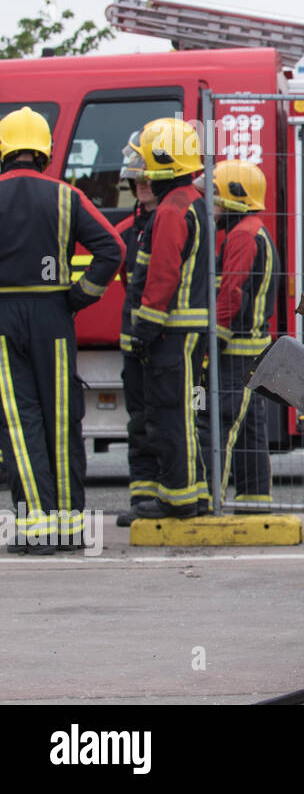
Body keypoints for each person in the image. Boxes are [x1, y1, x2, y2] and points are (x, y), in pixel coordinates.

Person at [0, 106, 124, 553]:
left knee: (20, 423)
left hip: (2, 320)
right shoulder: (66, 195)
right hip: (53, 316)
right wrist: (77, 295)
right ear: (44, 151)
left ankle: (34, 529)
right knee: (61, 421)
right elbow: (112, 249)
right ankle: (72, 528)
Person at [123, 117, 210, 520]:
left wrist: (145, 326)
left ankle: (178, 499)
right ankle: (193, 495)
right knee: (182, 415)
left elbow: (162, 274)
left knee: (170, 415)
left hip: (172, 334)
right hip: (185, 332)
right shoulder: (192, 201)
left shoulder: (173, 210)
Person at [204, 160, 279, 509]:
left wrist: (213, 338)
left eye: (216, 197)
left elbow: (232, 292)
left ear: (235, 196)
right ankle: (254, 499)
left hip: (237, 351)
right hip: (254, 349)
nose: (212, 205)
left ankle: (208, 499)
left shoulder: (241, 236)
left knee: (219, 422)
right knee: (249, 427)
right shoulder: (253, 230)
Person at [114, 136, 161, 527]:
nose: (142, 185)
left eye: (148, 178)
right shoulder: (126, 230)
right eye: (137, 179)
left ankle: (166, 495)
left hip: (163, 341)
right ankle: (141, 498)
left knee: (166, 421)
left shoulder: (174, 222)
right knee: (138, 422)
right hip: (133, 342)